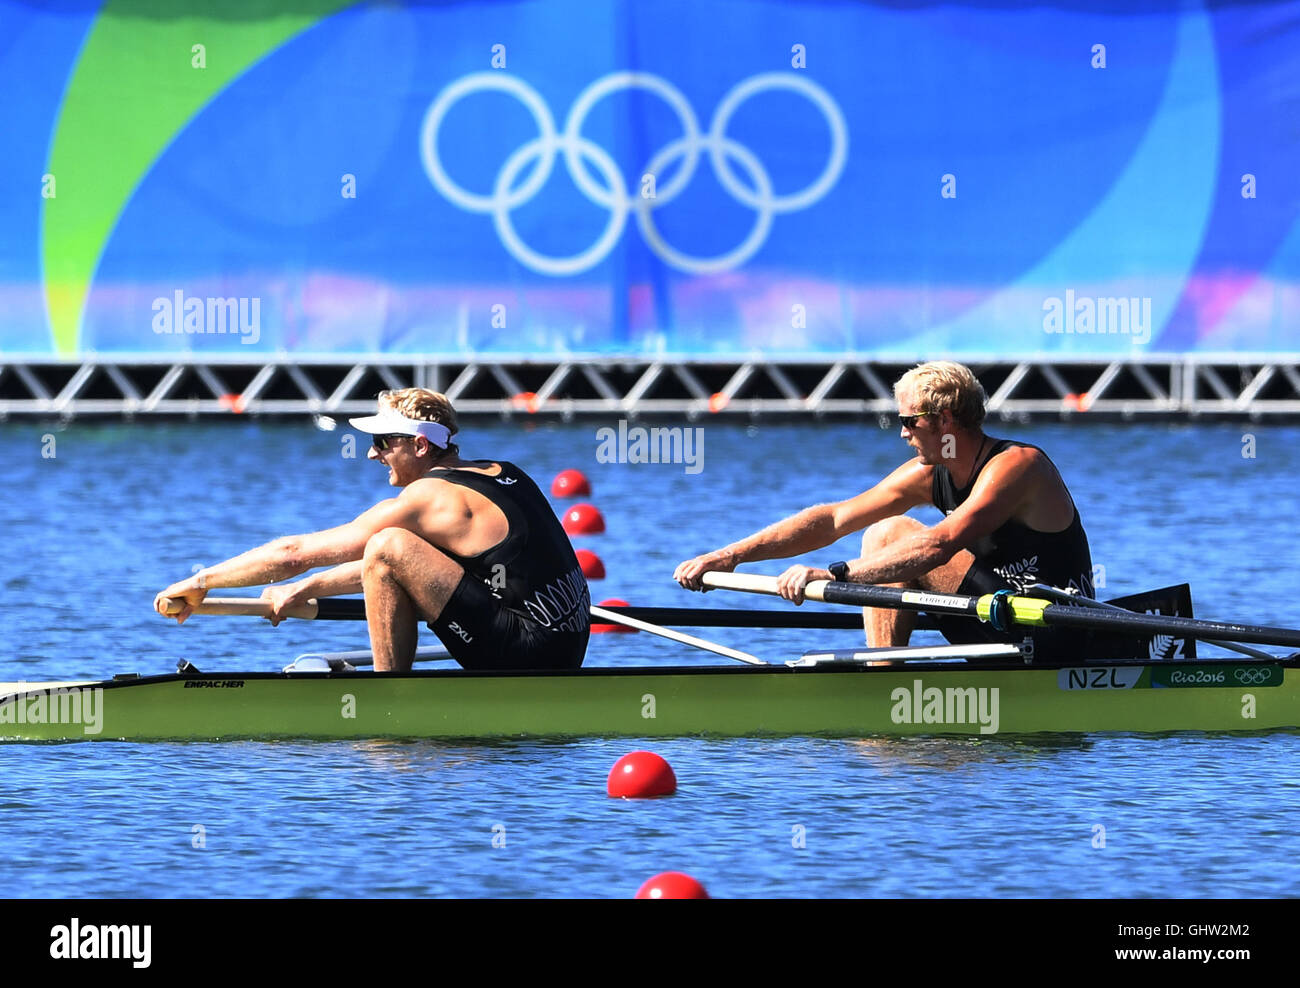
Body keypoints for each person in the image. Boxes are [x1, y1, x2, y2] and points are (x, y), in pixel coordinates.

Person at [674, 361, 1095, 659]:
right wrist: (730, 555)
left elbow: (940, 544)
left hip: (1053, 632)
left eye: (910, 421)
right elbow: (834, 520)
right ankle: (884, 674)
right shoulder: (930, 473)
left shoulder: (1018, 466)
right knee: (878, 530)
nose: (902, 433)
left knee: (890, 533)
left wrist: (834, 575)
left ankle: (882, 681)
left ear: (945, 419)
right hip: (995, 622)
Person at [154, 389, 590, 671]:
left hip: (530, 655)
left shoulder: (428, 500)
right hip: (565, 644)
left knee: (387, 545)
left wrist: (202, 581)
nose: (372, 454)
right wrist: (309, 588)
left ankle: (387, 699)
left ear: (420, 445)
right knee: (391, 550)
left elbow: (293, 553)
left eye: (383, 442)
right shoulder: (501, 471)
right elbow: (419, 568)